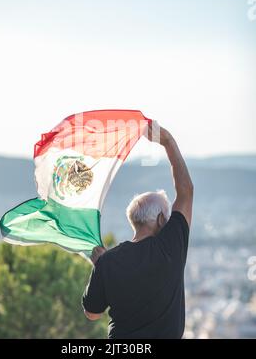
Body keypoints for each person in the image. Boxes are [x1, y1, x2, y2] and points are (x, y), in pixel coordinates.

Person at [81, 122, 194, 339]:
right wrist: (168, 142)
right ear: (161, 220)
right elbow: (186, 192)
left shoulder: (108, 261)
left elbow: (92, 313)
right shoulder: (170, 248)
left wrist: (101, 268)